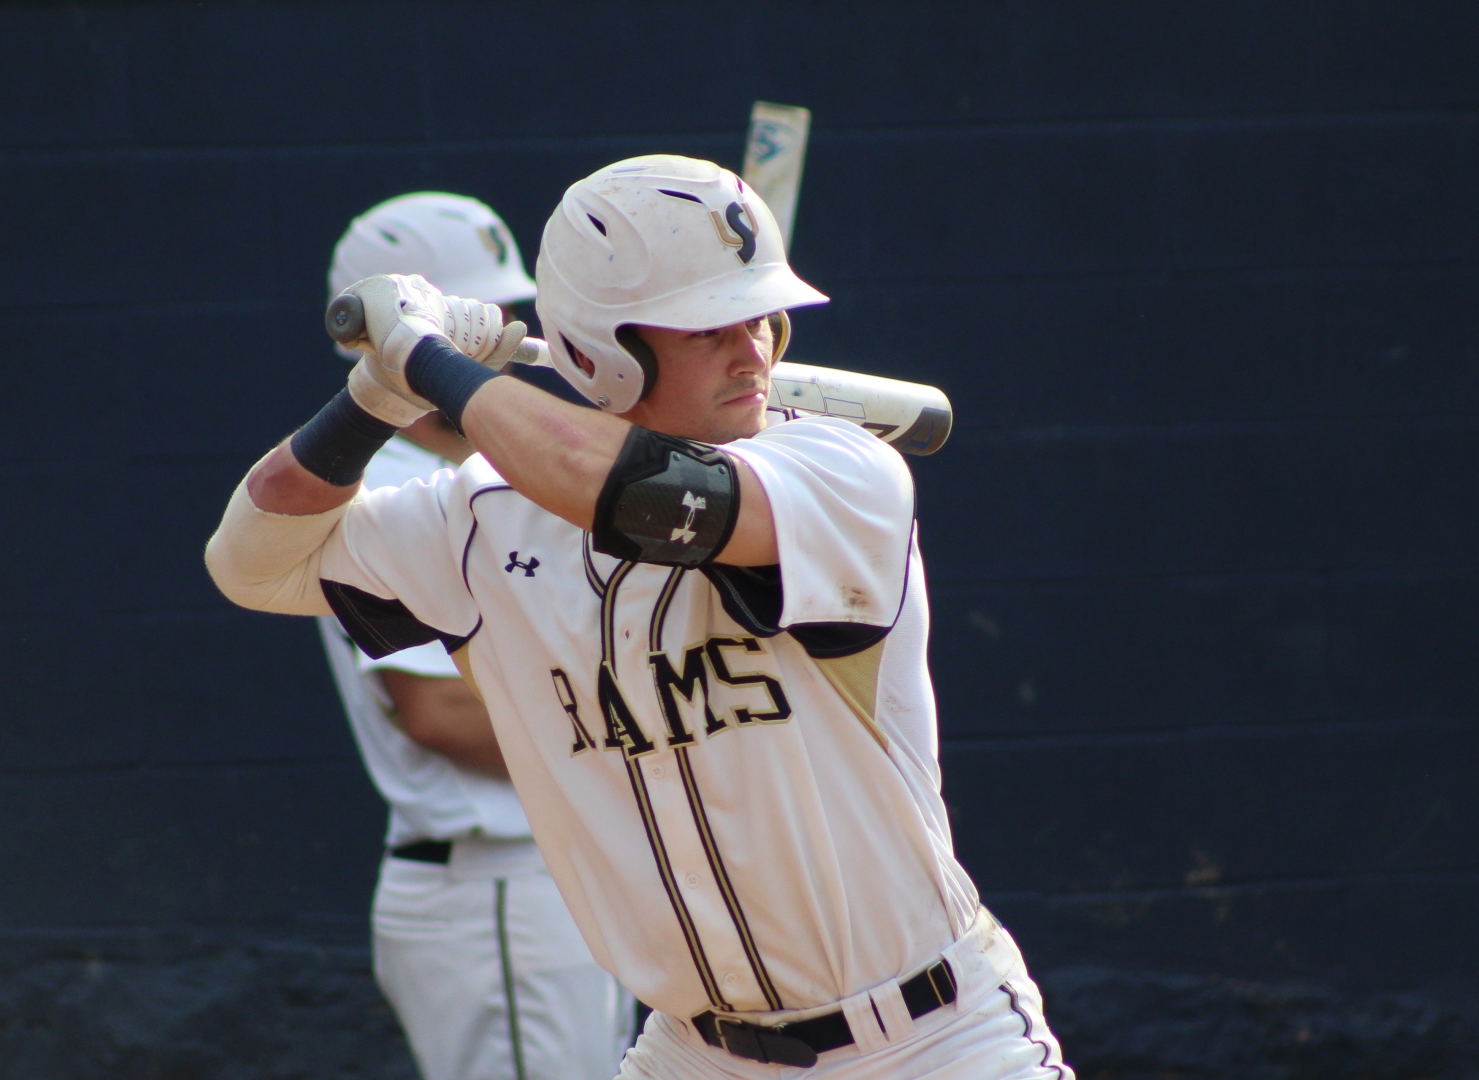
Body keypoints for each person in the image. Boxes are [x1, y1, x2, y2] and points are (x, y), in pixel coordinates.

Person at [208, 156, 1073, 1078]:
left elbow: (642, 494)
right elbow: (252, 562)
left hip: (928, 1039)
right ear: (601, 350)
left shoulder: (842, 472)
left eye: (763, 315)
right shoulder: (482, 517)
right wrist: (376, 398)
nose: (755, 350)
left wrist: (431, 360)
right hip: (695, 1052)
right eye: (709, 327)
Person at [316, 192, 635, 1080]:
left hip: (552, 873)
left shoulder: (487, 472)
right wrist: (642, 734)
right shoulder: (381, 488)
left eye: (497, 314)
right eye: (465, 319)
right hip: (492, 886)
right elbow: (438, 714)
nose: (492, 340)